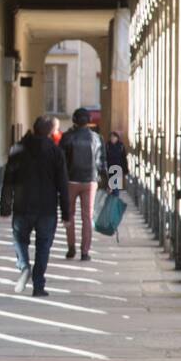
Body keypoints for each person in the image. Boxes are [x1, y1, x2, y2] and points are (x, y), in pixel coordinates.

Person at [0, 114, 71, 297]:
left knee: (19, 239)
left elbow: (8, 180)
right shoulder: (55, 152)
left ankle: (24, 266)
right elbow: (62, 184)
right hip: (47, 208)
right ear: (49, 132)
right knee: (43, 246)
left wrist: (5, 206)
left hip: (23, 205)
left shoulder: (17, 149)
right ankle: (38, 286)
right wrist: (66, 214)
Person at [59, 107, 106, 261]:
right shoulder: (97, 138)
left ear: (74, 120)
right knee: (87, 217)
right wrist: (110, 183)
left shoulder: (67, 137)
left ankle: (71, 247)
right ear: (89, 121)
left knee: (69, 214)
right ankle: (85, 251)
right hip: (90, 181)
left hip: (71, 181)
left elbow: (60, 162)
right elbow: (102, 162)